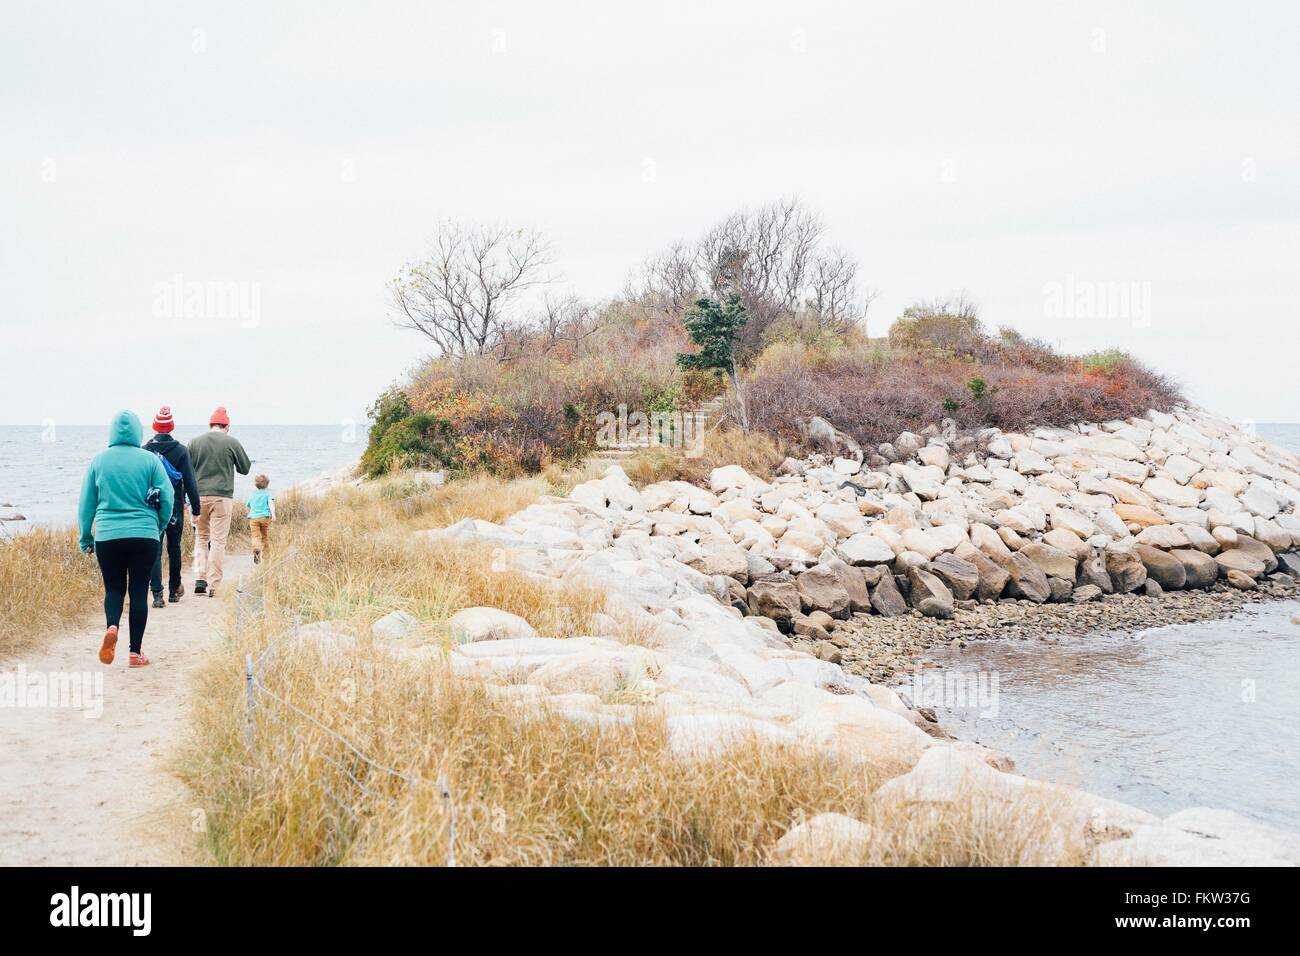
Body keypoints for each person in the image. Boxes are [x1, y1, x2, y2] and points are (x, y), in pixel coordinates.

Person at [78, 410, 174, 668]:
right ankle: (135, 653)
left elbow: (86, 505)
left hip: (108, 536)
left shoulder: (99, 461)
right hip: (144, 535)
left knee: (114, 589)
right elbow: (168, 497)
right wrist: (159, 524)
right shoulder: (150, 461)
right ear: (138, 432)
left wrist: (86, 537)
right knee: (139, 592)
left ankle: (112, 627)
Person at [187, 406, 251, 598]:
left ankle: (200, 578)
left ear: (210, 424)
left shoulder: (195, 442)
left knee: (201, 538)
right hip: (222, 496)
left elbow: (187, 470)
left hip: (198, 496)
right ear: (227, 426)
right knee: (218, 541)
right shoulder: (231, 442)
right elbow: (245, 468)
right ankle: (214, 584)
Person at [143, 406, 202, 607]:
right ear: (171, 427)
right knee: (174, 548)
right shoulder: (181, 451)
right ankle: (174, 590)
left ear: (154, 426)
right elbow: (191, 482)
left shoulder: (146, 450)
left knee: (155, 550)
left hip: (152, 506)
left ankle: (157, 594)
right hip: (175, 506)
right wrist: (196, 509)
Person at [245, 474, 276, 564]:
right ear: (267, 485)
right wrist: (273, 515)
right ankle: (266, 557)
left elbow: (248, 505)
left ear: (256, 485)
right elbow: (271, 504)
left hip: (253, 518)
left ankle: (256, 549)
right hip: (264, 518)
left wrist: (250, 514)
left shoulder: (253, 494)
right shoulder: (267, 494)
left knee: (255, 536)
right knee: (265, 537)